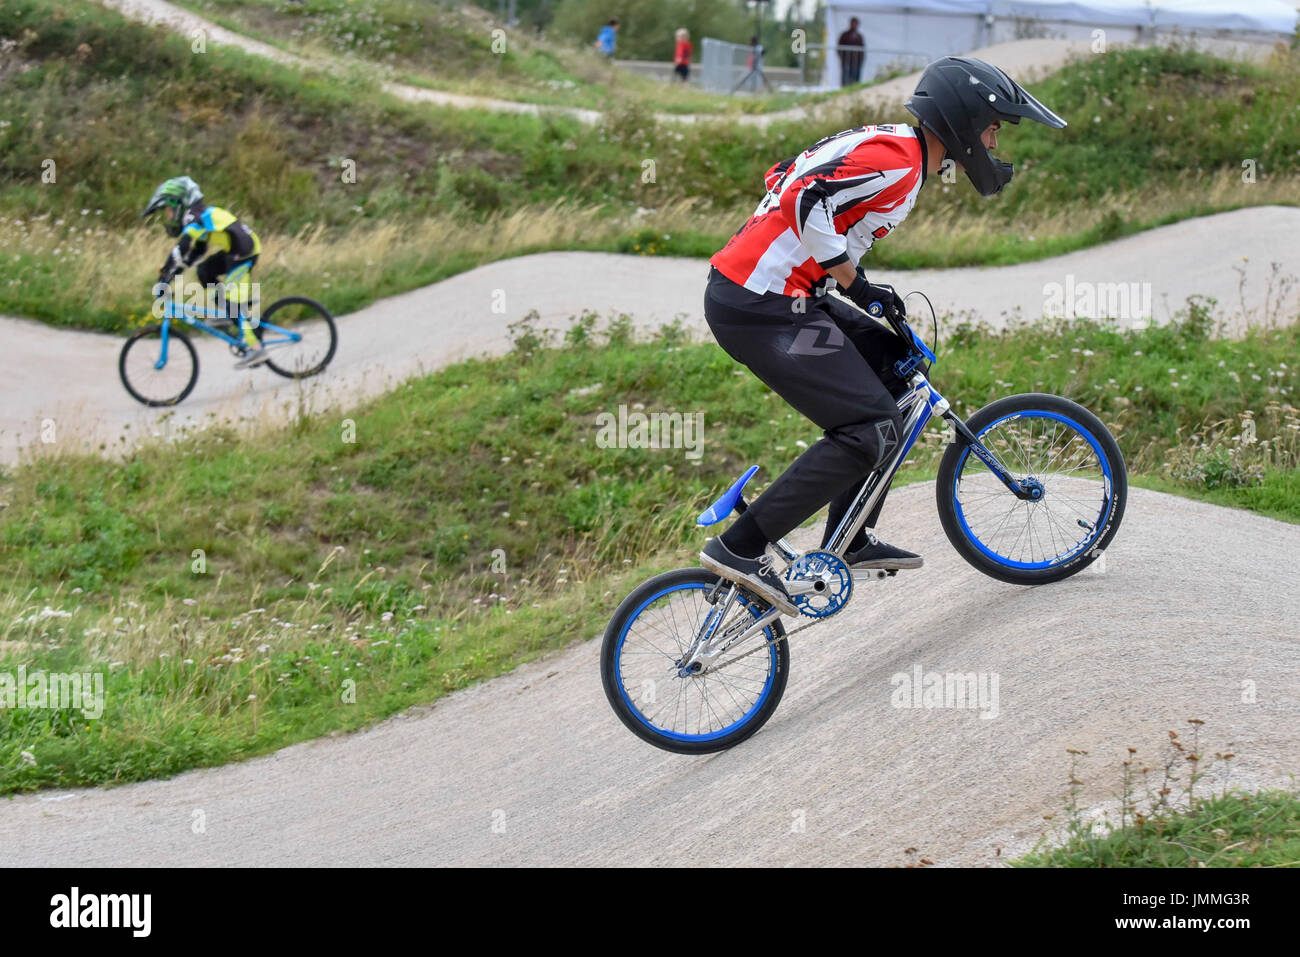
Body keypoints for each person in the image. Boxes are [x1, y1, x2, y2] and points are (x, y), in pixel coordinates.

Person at [699, 57, 1067, 614]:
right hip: (761, 308)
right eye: (993, 128)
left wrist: (842, 281)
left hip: (790, 297)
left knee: (899, 371)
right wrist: (853, 280)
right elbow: (801, 196)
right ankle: (738, 547)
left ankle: (851, 537)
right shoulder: (898, 162)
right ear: (966, 123)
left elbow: (784, 176)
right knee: (868, 428)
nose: (993, 142)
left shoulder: (900, 151)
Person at [141, 176, 268, 368]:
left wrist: (164, 276)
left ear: (178, 203)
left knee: (234, 302)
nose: (168, 215)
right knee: (204, 270)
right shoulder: (199, 216)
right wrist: (172, 276)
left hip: (244, 253)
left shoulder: (195, 215)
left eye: (167, 209)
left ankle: (256, 349)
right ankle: (226, 313)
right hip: (233, 252)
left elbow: (182, 247)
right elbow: (195, 253)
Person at [837, 17, 865, 86]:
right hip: (846, 61)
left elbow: (862, 50)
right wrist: (843, 58)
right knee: (845, 79)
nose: (854, 25)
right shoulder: (844, 35)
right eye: (853, 23)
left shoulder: (859, 36)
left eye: (856, 23)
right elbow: (839, 47)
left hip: (856, 62)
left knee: (855, 80)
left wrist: (861, 60)